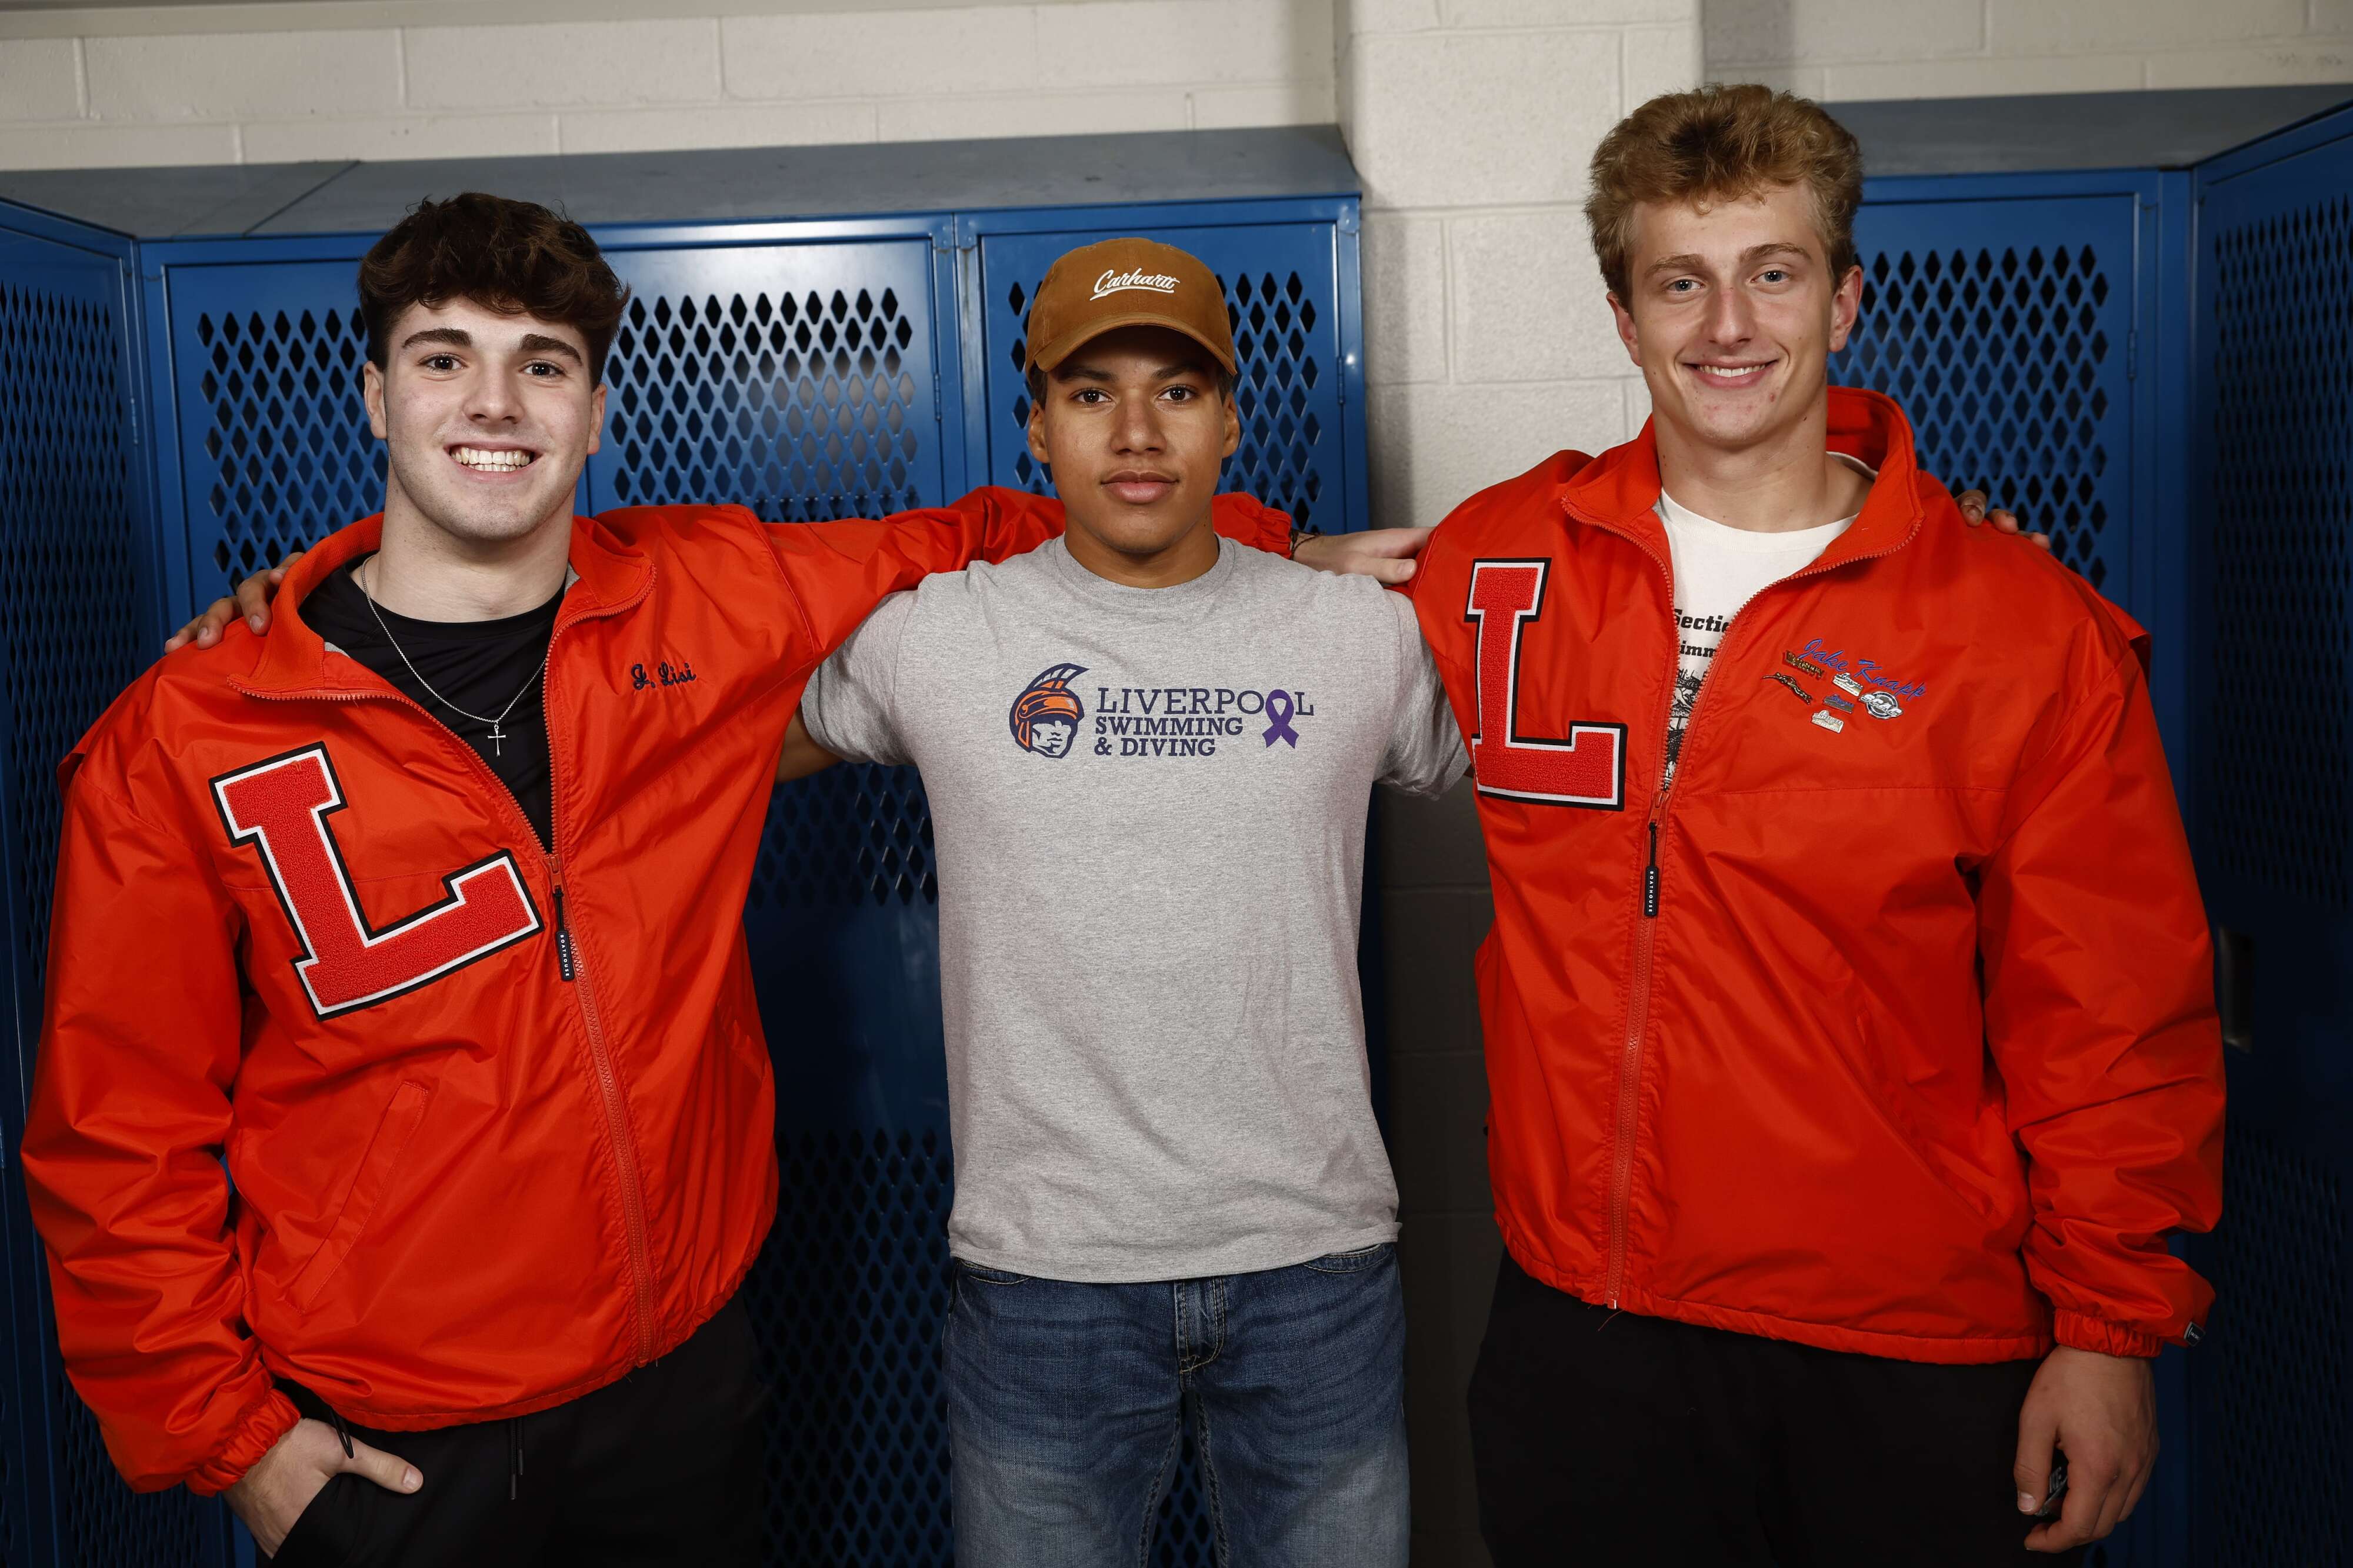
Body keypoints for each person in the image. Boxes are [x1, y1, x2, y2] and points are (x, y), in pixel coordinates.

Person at [21, 195, 1398, 1567]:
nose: (494, 403)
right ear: (376, 395)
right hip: (387, 1434)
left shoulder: (700, 598)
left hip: (674, 1389)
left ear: (597, 408)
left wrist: (1270, 557)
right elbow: (114, 1135)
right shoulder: (192, 729)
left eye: (542, 363)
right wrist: (237, 1443)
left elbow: (1006, 534)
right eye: (444, 359)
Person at [1392, 86, 2224, 1564]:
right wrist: (1272, 545)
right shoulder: (1502, 556)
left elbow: (2106, 1008)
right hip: (1587, 1334)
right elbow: (1170, 560)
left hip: (1902, 1352)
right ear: (1621, 313)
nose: (1726, 322)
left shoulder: (2015, 626)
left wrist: (2107, 1332)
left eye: (1771, 272)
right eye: (1679, 279)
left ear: (1842, 296)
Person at [779, 238, 1463, 1566]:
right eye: (1091, 394)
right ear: (1034, 426)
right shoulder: (934, 635)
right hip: (1044, 1283)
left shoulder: (1358, 634)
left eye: (1177, 391)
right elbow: (671, 750)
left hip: (1312, 1269)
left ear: (1232, 420)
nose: (1137, 433)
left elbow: (1605, 767)